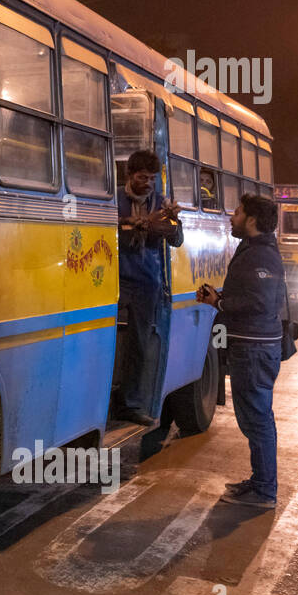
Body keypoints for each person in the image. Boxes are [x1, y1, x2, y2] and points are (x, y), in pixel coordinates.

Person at [197, 193, 285, 509]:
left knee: (257, 419)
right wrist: (220, 296)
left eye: (236, 212)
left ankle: (264, 491)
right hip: (252, 346)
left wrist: (218, 303)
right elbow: (253, 294)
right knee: (254, 418)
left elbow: (259, 302)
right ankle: (261, 482)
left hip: (255, 348)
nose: (231, 218)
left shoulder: (261, 255)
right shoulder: (254, 250)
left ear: (251, 220)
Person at [115, 149, 183, 426]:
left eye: (152, 178)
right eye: (143, 177)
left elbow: (177, 240)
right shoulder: (114, 198)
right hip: (116, 280)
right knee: (103, 341)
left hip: (147, 283)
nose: (149, 183)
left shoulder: (160, 203)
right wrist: (141, 223)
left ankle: (131, 405)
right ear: (130, 175)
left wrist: (172, 221)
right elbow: (107, 228)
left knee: (140, 345)